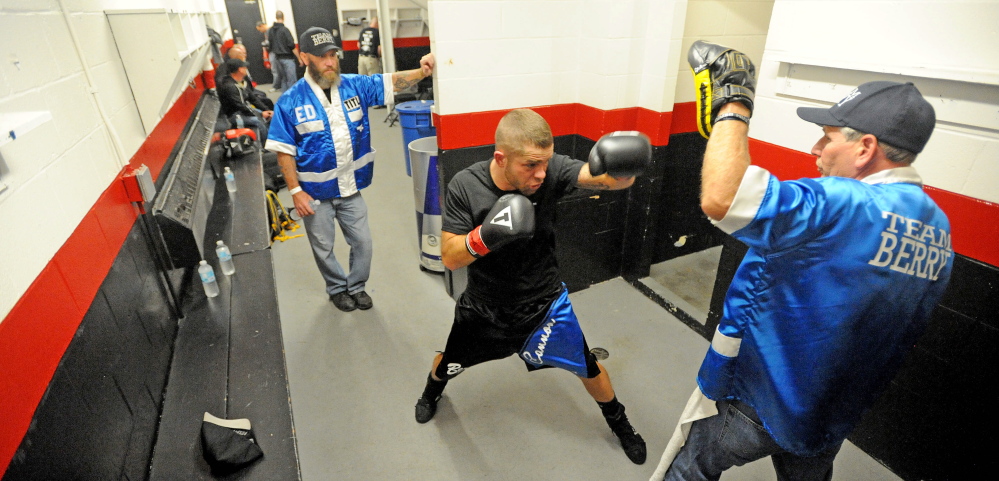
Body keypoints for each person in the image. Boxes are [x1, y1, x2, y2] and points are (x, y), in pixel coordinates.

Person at [650, 41, 954, 481]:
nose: (816, 148)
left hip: (756, 398)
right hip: (830, 414)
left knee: (688, 470)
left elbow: (723, 197)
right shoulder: (937, 229)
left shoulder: (844, 203)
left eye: (827, 137)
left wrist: (733, 104)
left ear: (865, 147)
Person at [413, 109, 653, 465]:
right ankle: (432, 393)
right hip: (484, 306)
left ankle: (621, 424)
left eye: (546, 162)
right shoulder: (466, 184)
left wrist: (620, 168)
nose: (541, 174)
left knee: (587, 366)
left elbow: (604, 180)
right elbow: (449, 257)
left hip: (545, 303)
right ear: (501, 157)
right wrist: (486, 237)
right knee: (450, 360)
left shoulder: (549, 170)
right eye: (530, 165)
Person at [265, 27, 435, 311]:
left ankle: (356, 286)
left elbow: (391, 83)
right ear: (305, 57)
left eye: (333, 55)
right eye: (322, 57)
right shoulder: (290, 102)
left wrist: (422, 72)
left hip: (351, 188)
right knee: (323, 248)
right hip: (314, 195)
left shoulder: (354, 86)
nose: (330, 62)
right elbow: (284, 151)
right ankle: (336, 289)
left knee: (364, 243)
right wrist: (295, 191)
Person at [217, 58, 273, 145]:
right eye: (244, 67)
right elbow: (240, 106)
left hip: (245, 111)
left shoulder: (242, 82)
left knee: (270, 115)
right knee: (257, 120)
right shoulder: (230, 86)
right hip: (234, 115)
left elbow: (253, 99)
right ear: (239, 69)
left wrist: (266, 110)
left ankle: (271, 137)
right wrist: (260, 114)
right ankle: (267, 144)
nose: (246, 69)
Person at [267, 11, 300, 92]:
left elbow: (269, 44)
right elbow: (292, 45)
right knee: (291, 80)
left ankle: (285, 98)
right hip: (287, 58)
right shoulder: (285, 30)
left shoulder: (270, 30)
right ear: (283, 17)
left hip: (277, 58)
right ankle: (293, 99)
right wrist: (299, 58)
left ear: (276, 17)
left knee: (284, 79)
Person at [255, 20, 279, 92]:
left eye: (260, 29)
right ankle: (277, 85)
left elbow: (271, 42)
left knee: (275, 70)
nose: (260, 32)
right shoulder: (267, 32)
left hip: (273, 52)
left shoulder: (269, 31)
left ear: (261, 26)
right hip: (273, 52)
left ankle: (276, 86)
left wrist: (265, 44)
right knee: (276, 70)